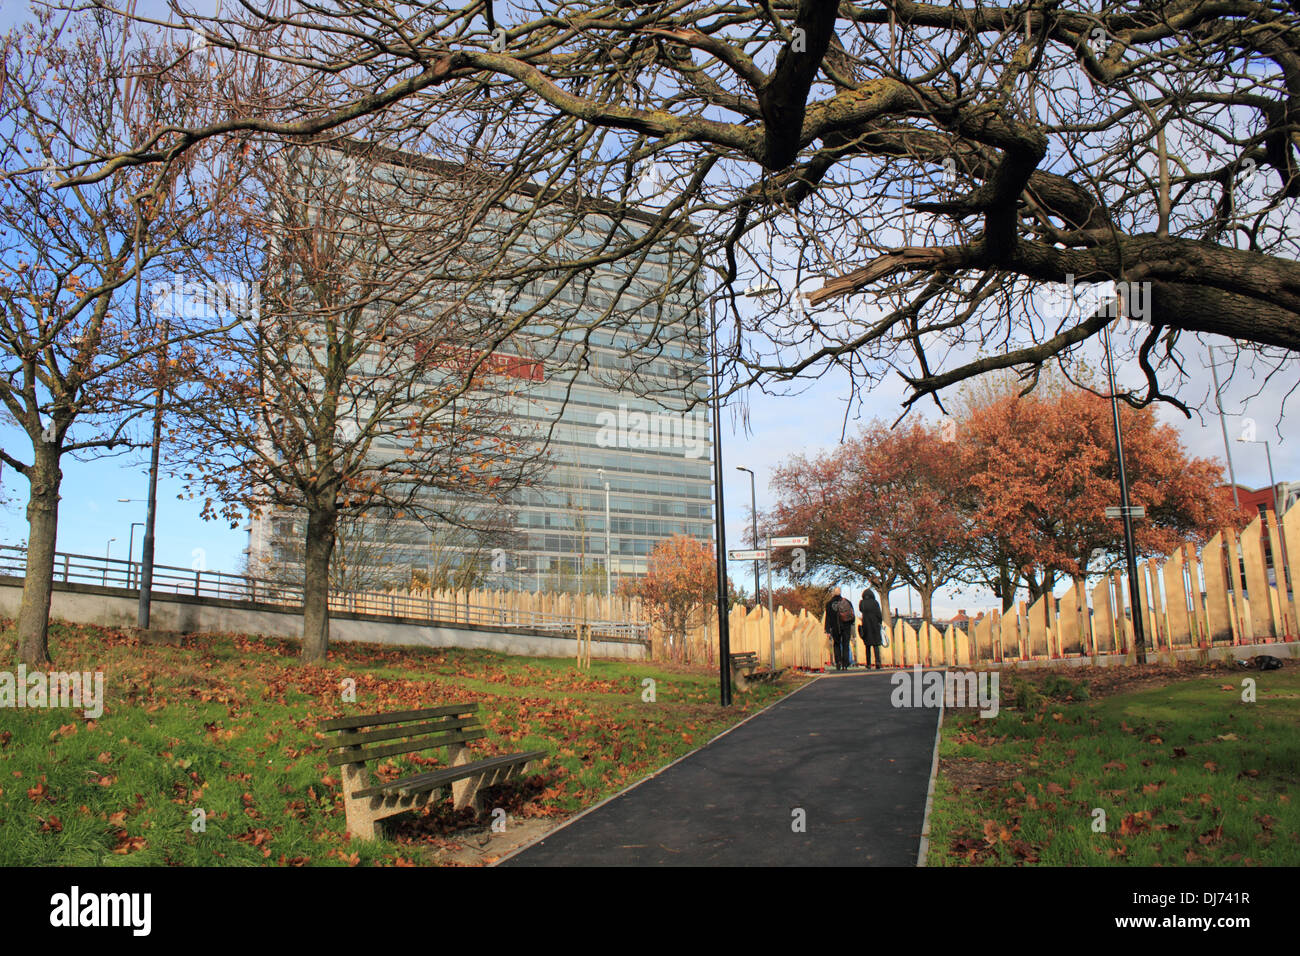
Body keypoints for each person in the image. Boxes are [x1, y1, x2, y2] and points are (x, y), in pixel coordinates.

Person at [823, 586, 856, 671]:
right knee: (845, 644)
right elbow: (852, 615)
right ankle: (845, 664)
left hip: (835, 627)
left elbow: (828, 617)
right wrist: (851, 624)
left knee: (836, 644)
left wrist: (827, 628)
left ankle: (838, 662)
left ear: (833, 593)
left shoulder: (829, 603)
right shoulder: (847, 602)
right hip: (846, 626)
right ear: (840, 592)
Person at [859, 587, 884, 670]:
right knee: (876, 645)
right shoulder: (875, 603)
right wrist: (879, 622)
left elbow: (861, 610)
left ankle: (868, 663)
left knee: (867, 646)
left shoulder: (862, 603)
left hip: (866, 625)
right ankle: (877, 662)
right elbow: (879, 614)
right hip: (874, 626)